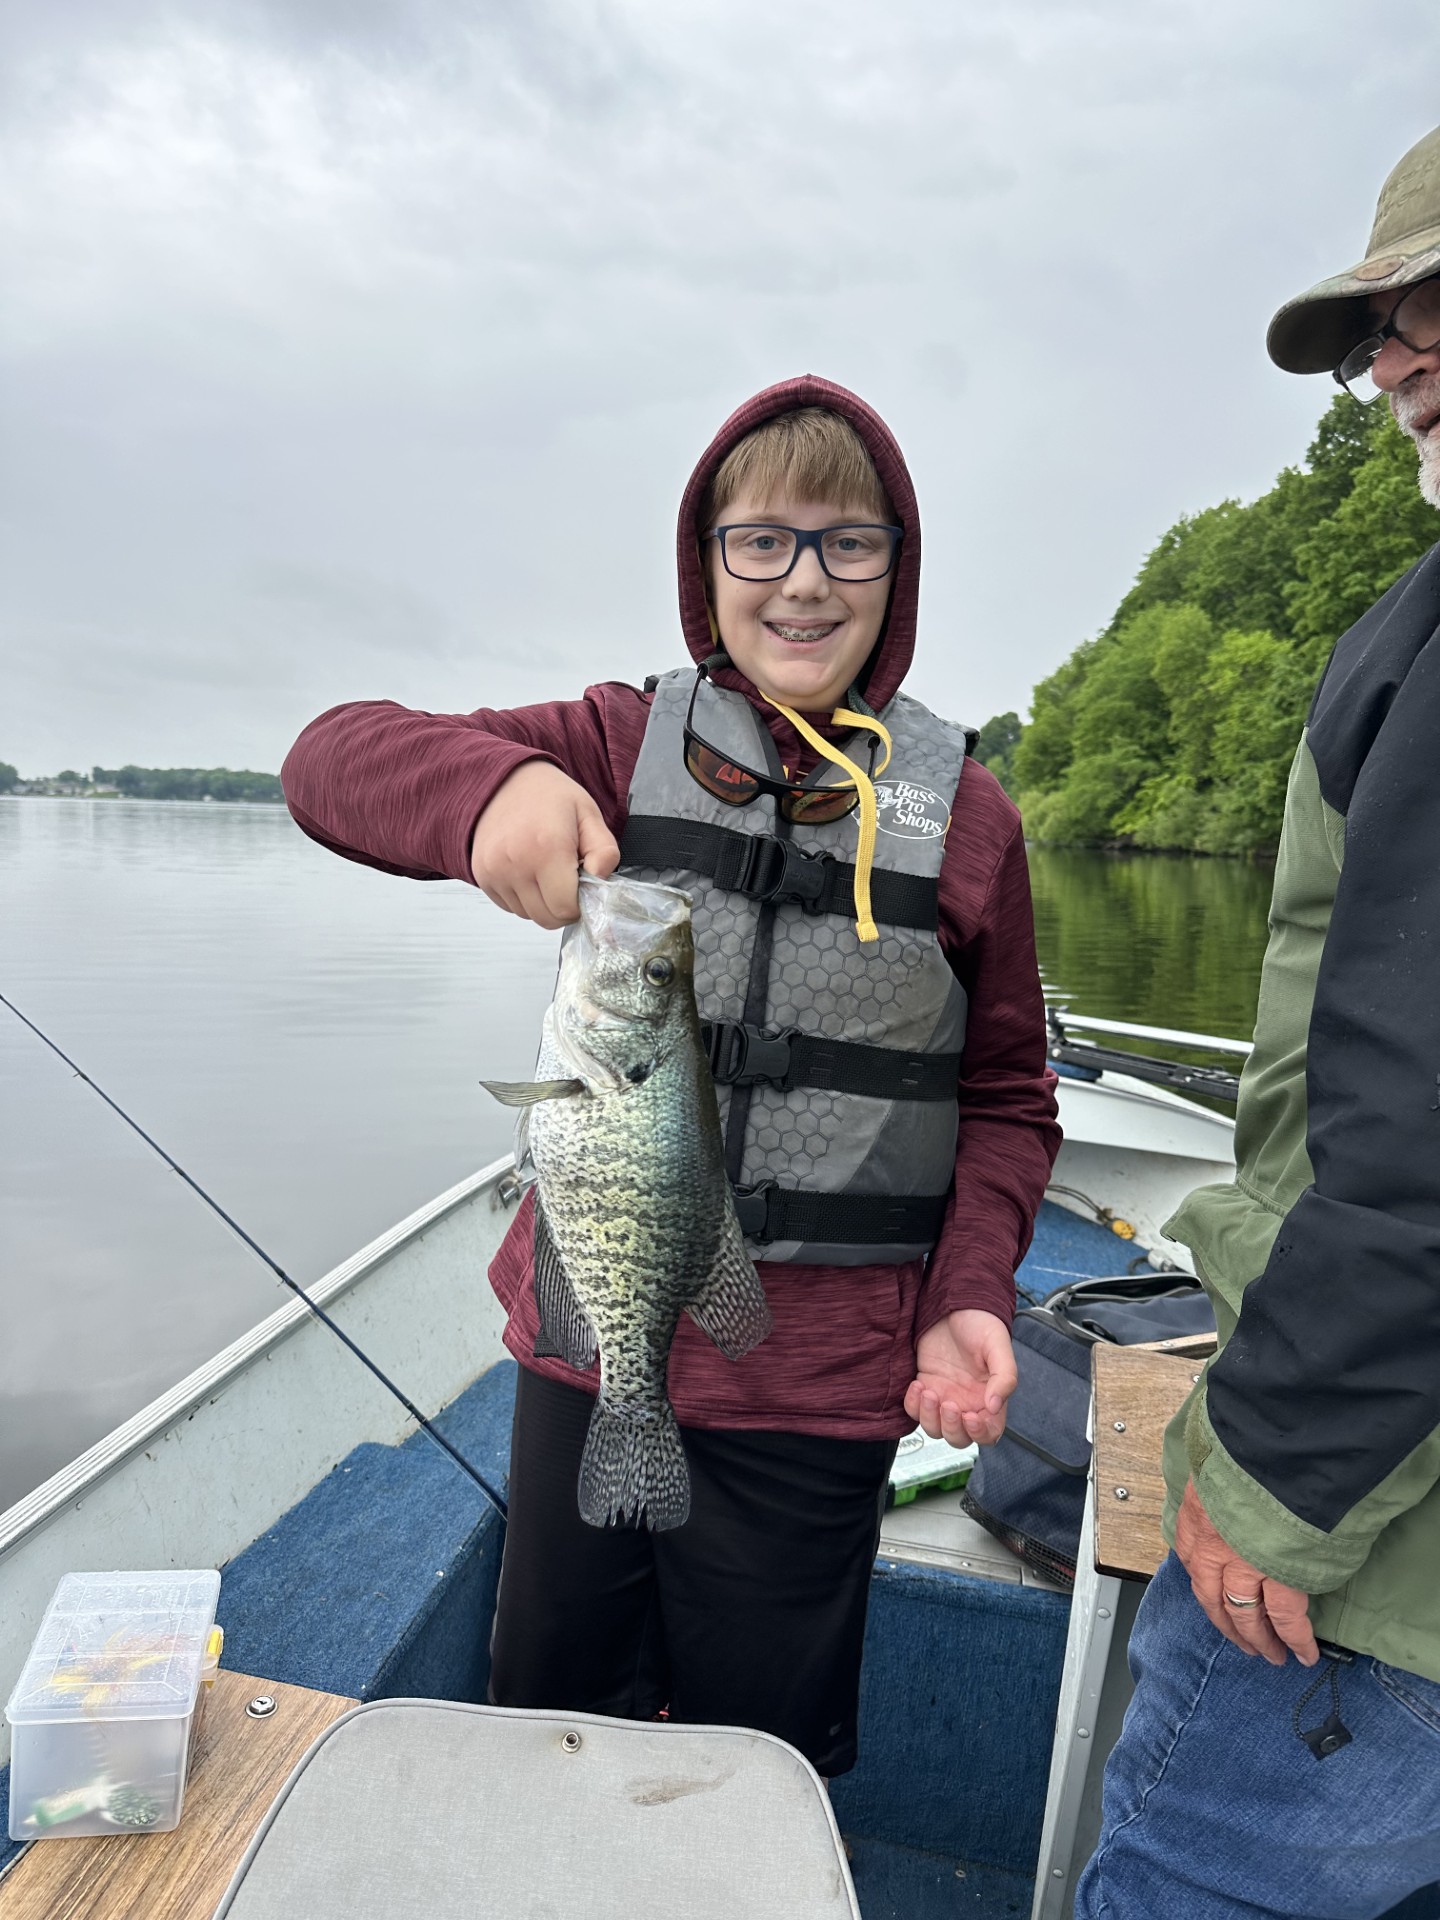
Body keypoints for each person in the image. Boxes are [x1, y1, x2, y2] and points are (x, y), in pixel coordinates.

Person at [282, 375, 1060, 1778]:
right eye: (761, 541)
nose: (804, 582)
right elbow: (329, 759)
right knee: (548, 1734)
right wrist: (484, 793)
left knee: (751, 1762)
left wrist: (966, 1293)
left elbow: (1007, 1096)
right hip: (592, 1347)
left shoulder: (971, 818)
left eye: (849, 544)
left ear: (900, 567)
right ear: (707, 564)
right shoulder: (610, 744)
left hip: (819, 1387)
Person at [1076, 129, 1440, 1918]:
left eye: (1439, 307)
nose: (1396, 364)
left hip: (1370, 1584)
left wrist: (1276, 1481)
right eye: (1386, 326)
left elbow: (1421, 1147)